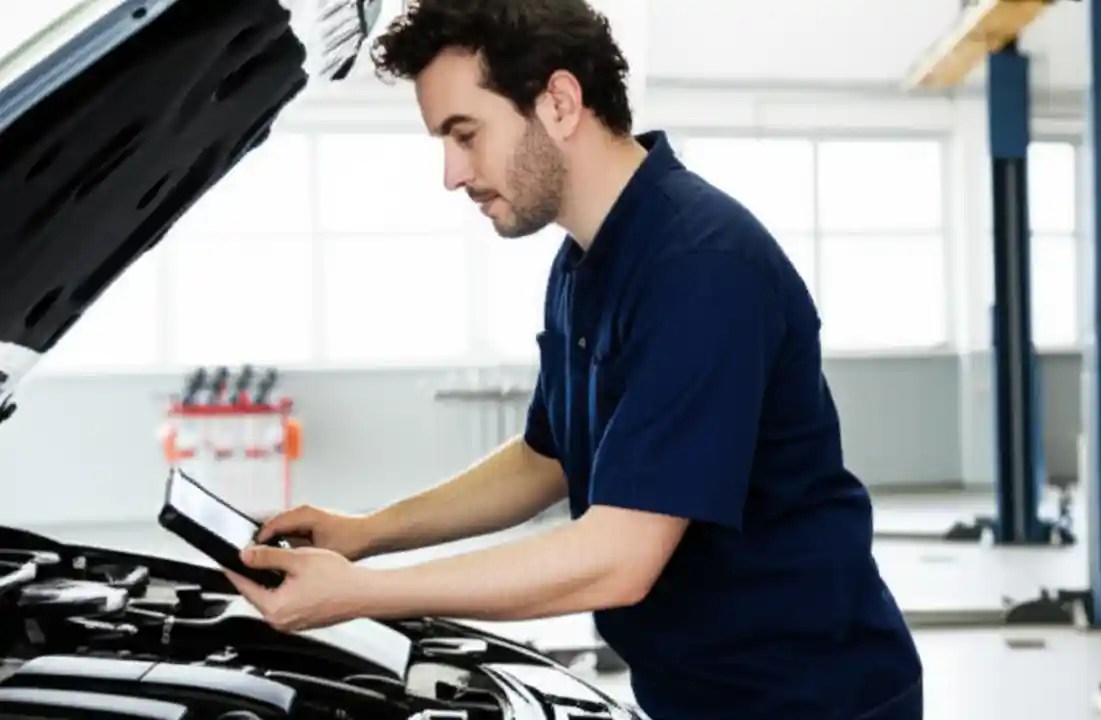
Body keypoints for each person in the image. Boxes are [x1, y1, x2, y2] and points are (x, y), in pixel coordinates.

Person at [225, 1, 923, 717]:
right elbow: (547, 457)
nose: (451, 174)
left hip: (812, 699)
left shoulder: (703, 266)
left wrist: (363, 596)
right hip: (696, 693)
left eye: (466, 135)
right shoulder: (583, 260)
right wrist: (369, 532)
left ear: (559, 102)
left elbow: (618, 558)